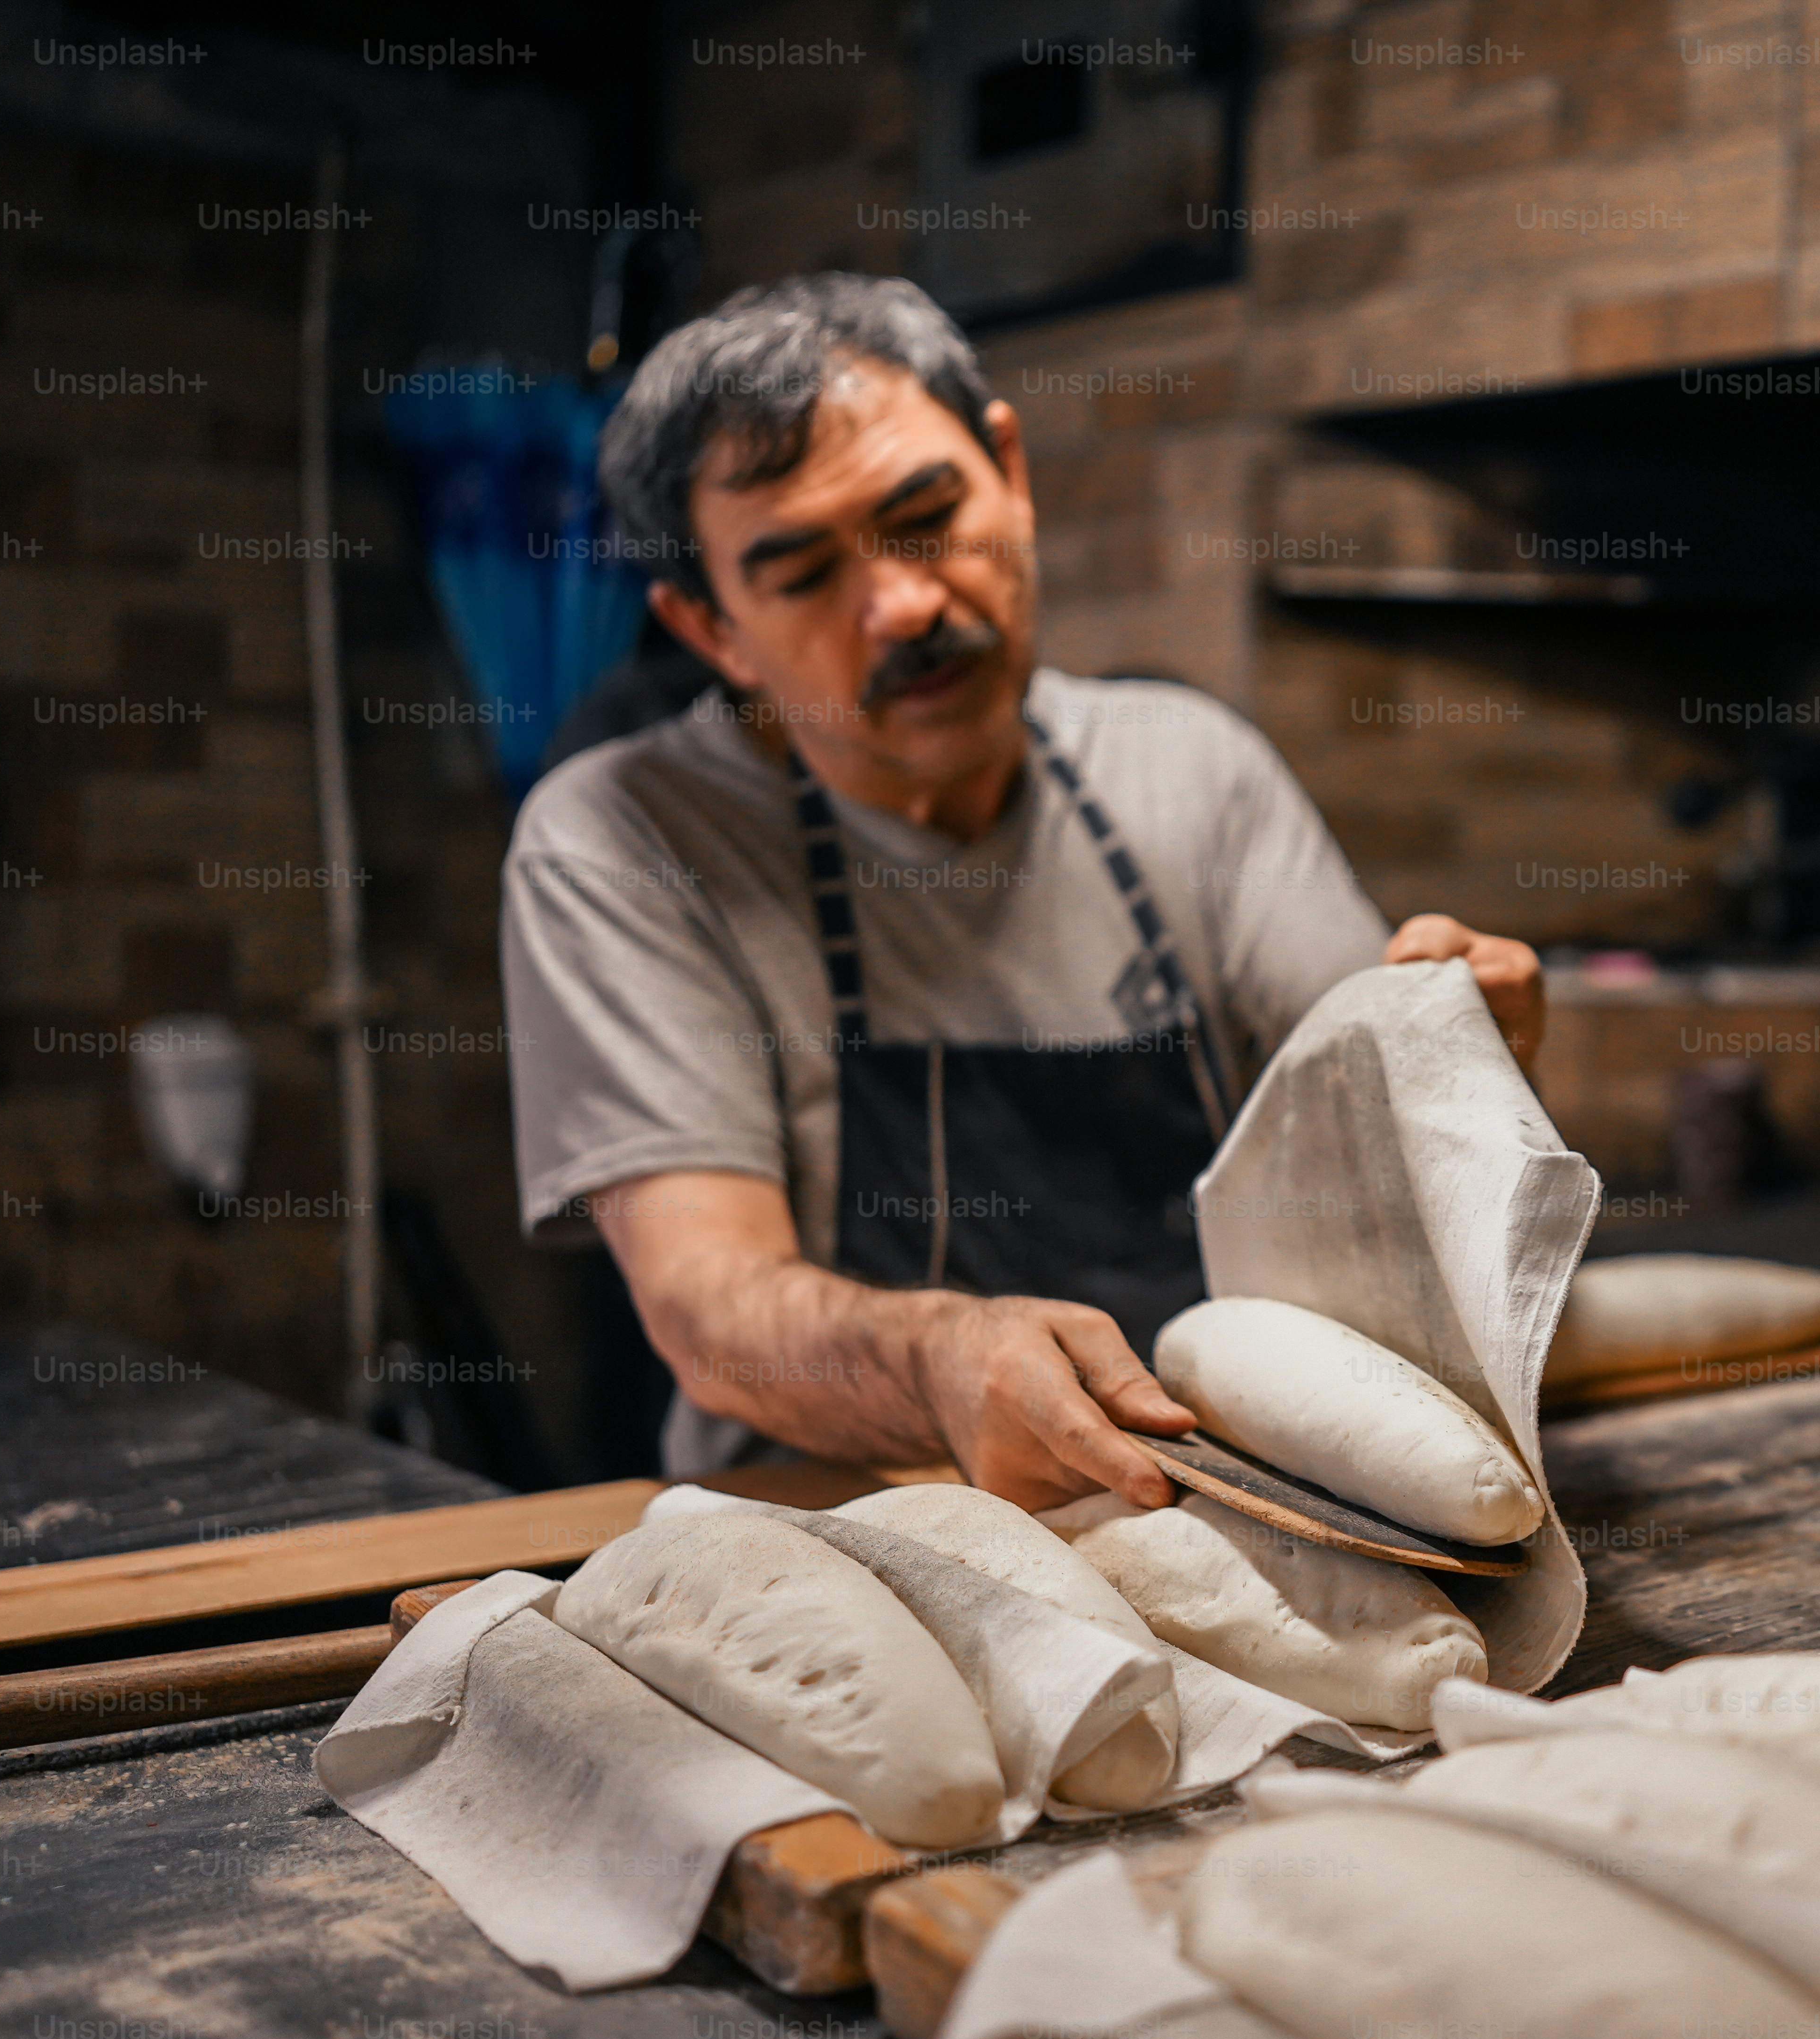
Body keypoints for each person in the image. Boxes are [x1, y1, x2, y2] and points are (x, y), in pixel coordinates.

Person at [500, 273, 1542, 1511]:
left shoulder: (1191, 770)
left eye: (926, 515)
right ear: (713, 627)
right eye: (802, 575)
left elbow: (1372, 1174)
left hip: (1240, 1491)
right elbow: (711, 1308)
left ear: (1009, 470)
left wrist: (1469, 1065)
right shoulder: (621, 841)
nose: (904, 606)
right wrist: (940, 1360)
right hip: (852, 1531)